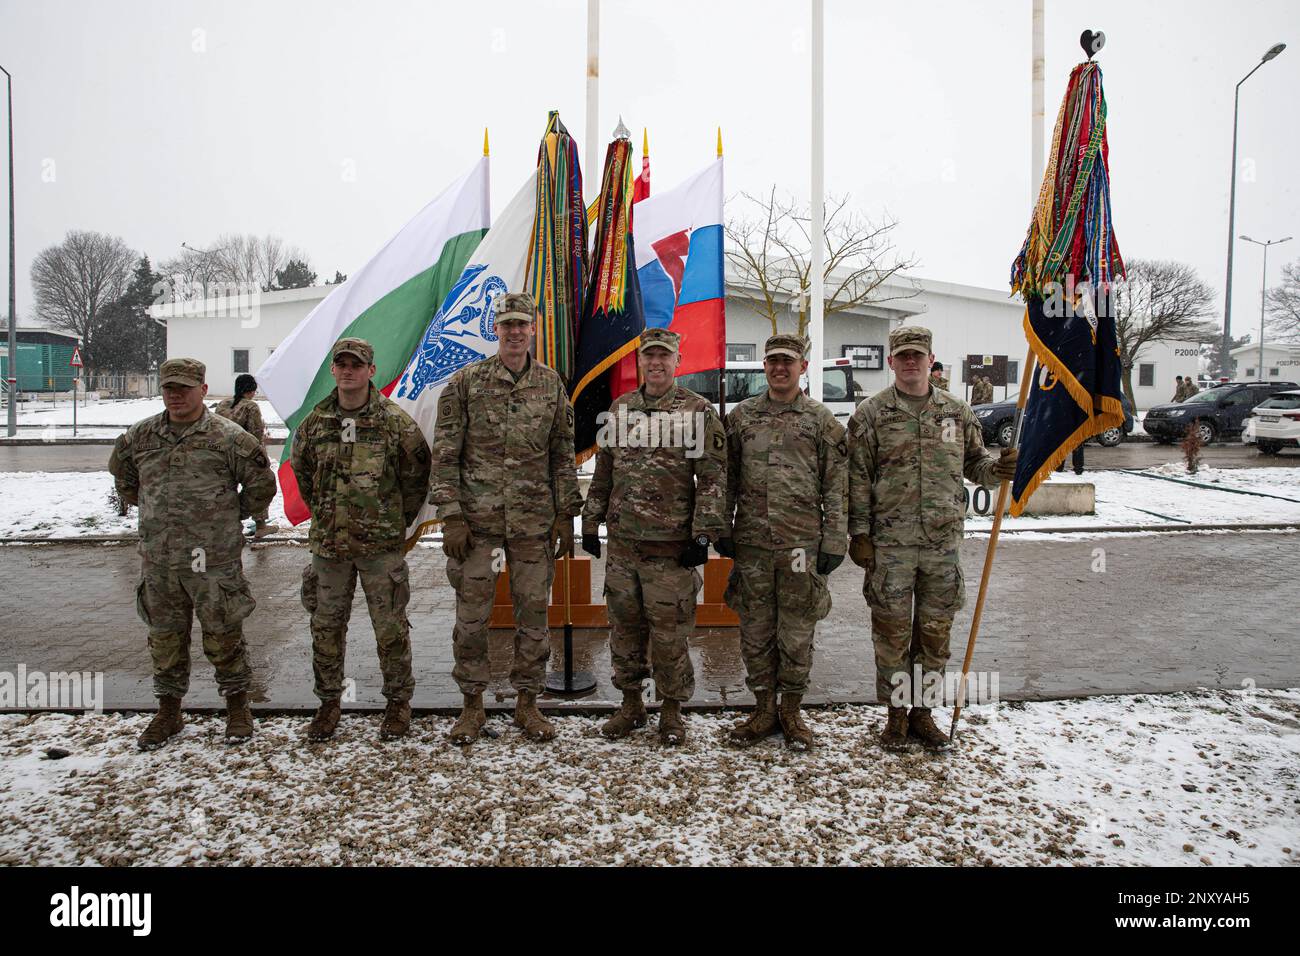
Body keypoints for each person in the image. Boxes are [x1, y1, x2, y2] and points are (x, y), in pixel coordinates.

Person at [847, 326, 1017, 752]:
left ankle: (923, 713)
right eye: (902, 355)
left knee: (935, 632)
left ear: (930, 360)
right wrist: (860, 534)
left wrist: (999, 471)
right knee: (892, 634)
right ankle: (896, 717)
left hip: (942, 545)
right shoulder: (871, 414)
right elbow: (857, 478)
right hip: (891, 546)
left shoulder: (957, 413)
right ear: (891, 362)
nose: (910, 362)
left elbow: (975, 463)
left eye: (917, 356)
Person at [429, 292, 584, 745]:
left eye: (523, 325)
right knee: (472, 618)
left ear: (533, 329)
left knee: (533, 617)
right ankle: (472, 705)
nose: (515, 332)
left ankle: (527, 703)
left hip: (533, 526)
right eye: (507, 325)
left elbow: (561, 454)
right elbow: (445, 453)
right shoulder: (467, 383)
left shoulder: (551, 383)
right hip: (477, 527)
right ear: (495, 329)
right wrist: (452, 515)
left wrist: (565, 515)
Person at [109, 358, 276, 750]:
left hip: (212, 560)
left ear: (202, 389)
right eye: (169, 388)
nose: (175, 395)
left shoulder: (229, 437)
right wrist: (152, 513)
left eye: (184, 388)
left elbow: (260, 486)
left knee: (223, 634)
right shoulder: (142, 435)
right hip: (161, 559)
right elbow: (124, 478)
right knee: (164, 638)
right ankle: (169, 711)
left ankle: (237, 707)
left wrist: (227, 517)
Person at [581, 327, 727, 746]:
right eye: (649, 356)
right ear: (639, 361)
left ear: (677, 361)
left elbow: (713, 479)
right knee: (624, 630)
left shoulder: (697, 412)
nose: (656, 363)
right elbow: (604, 472)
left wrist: (703, 534)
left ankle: (672, 711)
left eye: (664, 356)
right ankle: (631, 705)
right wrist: (591, 521)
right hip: (625, 548)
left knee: (669, 634)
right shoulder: (621, 409)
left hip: (672, 551)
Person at [292, 337, 432, 742]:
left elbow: (416, 473)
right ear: (333, 370)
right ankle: (329, 704)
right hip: (329, 550)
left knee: (390, 629)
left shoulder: (394, 421)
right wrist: (326, 514)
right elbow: (304, 473)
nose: (349, 371)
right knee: (325, 627)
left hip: (380, 549)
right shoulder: (315, 422)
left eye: (357, 364)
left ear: (372, 371)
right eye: (342, 364)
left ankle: (398, 703)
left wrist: (393, 520)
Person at [722, 334, 847, 750]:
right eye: (773, 361)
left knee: (796, 631)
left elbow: (836, 485)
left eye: (788, 362)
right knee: (755, 631)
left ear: (802, 366)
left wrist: (834, 539)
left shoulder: (820, 420)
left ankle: (791, 710)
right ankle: (762, 709)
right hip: (753, 546)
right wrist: (721, 527)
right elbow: (726, 480)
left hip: (800, 547)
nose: (780, 368)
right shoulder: (741, 417)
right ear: (764, 366)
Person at [214, 373, 273, 538]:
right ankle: (260, 524)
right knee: (258, 486)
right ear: (251, 390)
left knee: (226, 489)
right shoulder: (250, 407)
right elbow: (256, 434)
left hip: (221, 454)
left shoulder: (223, 404)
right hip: (244, 455)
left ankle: (226, 524)